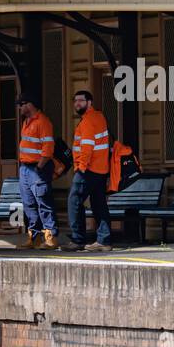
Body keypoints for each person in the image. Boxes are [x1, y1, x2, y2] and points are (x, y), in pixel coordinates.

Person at [64, 89, 112, 251]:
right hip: (101, 169)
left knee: (74, 201)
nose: (77, 103)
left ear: (89, 103)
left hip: (88, 169)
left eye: (81, 101)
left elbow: (87, 147)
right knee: (99, 204)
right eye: (75, 101)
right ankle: (104, 240)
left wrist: (80, 167)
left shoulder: (88, 121)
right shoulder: (99, 117)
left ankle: (78, 239)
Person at [15, 92, 58, 250]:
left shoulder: (43, 122)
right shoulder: (27, 121)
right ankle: (33, 237)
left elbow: (48, 148)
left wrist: (39, 167)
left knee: (43, 202)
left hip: (37, 168)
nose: (19, 107)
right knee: (29, 204)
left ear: (29, 105)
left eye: (22, 104)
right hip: (25, 168)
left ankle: (50, 236)